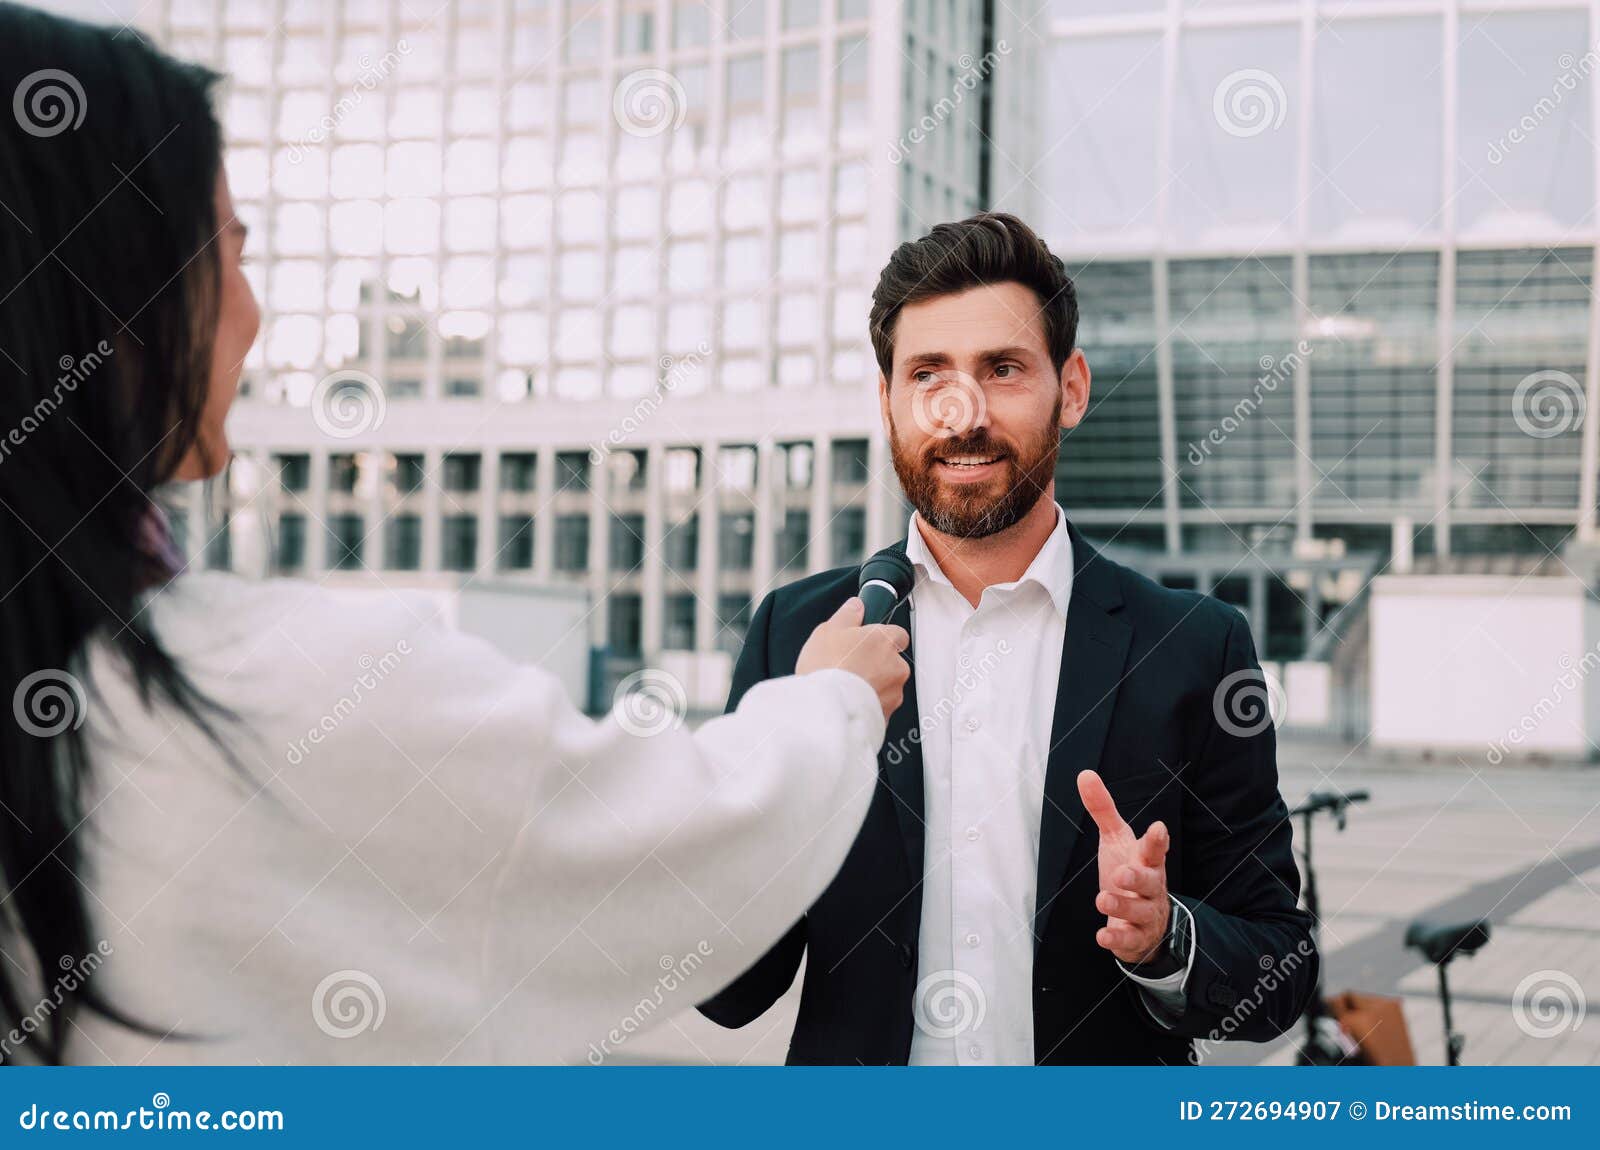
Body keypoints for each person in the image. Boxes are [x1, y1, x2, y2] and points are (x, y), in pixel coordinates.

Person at [0, 5, 908, 1065]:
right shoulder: (282, 692)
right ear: (114, 297)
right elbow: (679, 849)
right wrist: (835, 697)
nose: (251, 311)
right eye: (228, 252)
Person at [699, 213, 1317, 1064]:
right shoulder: (800, 635)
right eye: (928, 374)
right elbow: (730, 992)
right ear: (887, 402)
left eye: (1003, 368)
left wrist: (1163, 937)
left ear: (1071, 388)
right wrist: (789, 760)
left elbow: (1280, 971)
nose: (964, 413)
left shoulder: (1193, 647)